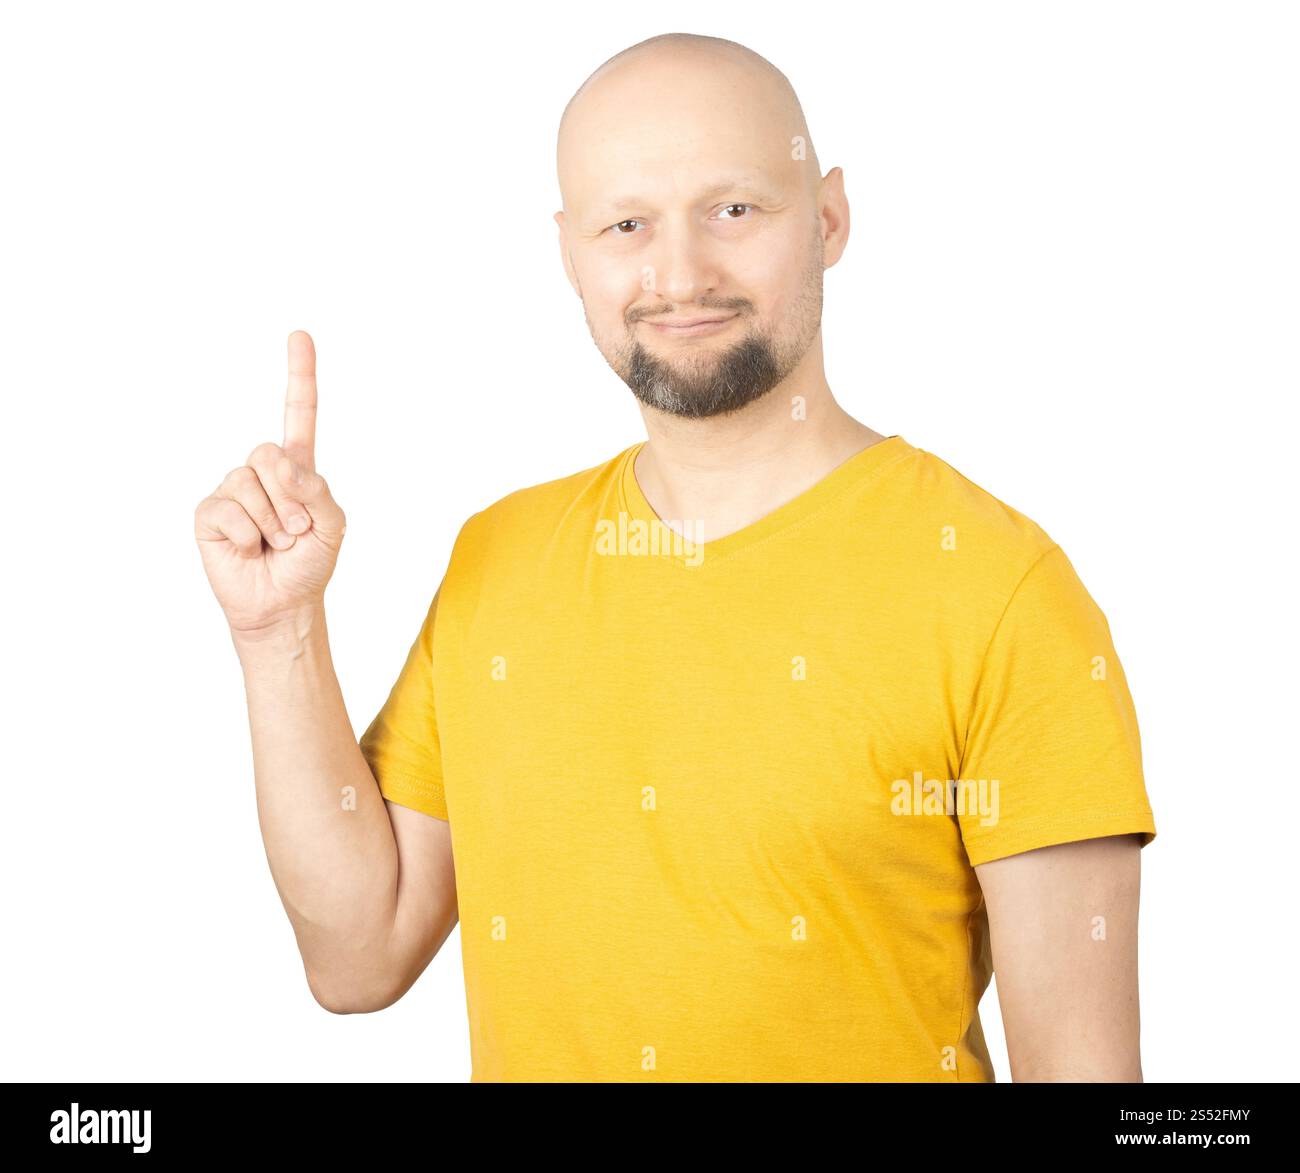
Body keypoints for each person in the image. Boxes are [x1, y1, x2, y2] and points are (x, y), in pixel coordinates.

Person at [194, 32, 1156, 1082]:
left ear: (828, 218)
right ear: (570, 253)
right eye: (627, 223)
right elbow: (358, 954)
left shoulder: (1000, 592)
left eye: (732, 208)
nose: (680, 272)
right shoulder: (498, 562)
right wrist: (276, 630)